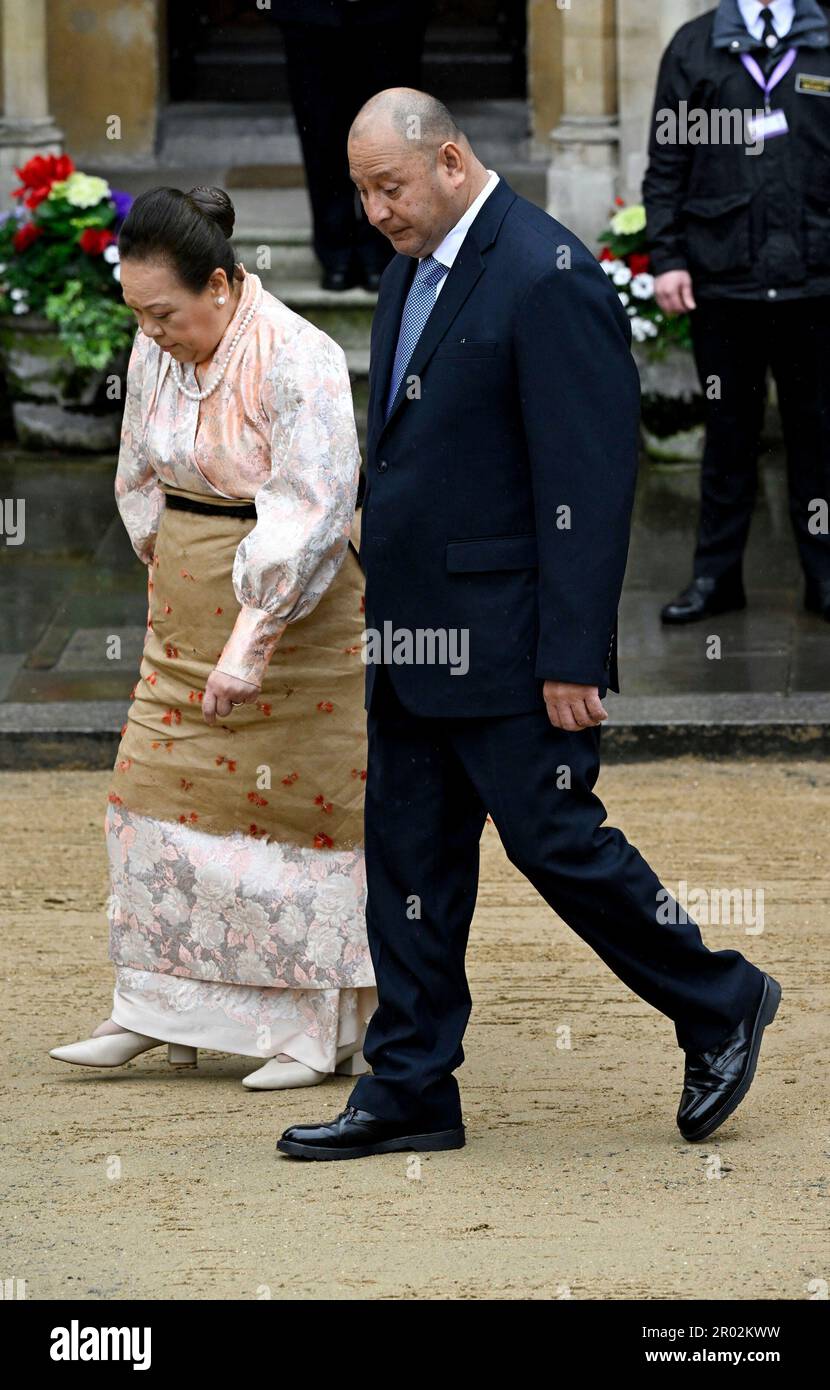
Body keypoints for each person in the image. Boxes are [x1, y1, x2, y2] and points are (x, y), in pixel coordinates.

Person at [276, 89, 781, 1163]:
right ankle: (409, 1083)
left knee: (557, 843)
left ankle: (719, 997)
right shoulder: (414, 260)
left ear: (450, 160)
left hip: (510, 640)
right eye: (361, 190)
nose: (372, 211)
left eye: (388, 187)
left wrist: (571, 655)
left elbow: (590, 482)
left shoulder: (547, 273)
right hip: (412, 637)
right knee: (408, 857)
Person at [49, 185, 378, 1090]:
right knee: (150, 794)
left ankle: (316, 1028)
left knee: (297, 817)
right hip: (183, 600)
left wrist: (248, 643)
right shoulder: (155, 343)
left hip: (294, 615)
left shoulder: (297, 355)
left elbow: (312, 511)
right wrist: (169, 576)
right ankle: (157, 1008)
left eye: (164, 313)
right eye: (138, 315)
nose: (149, 332)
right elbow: (135, 469)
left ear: (224, 286)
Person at [643, 0, 830, 624]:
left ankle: (825, 578)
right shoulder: (695, 47)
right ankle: (716, 579)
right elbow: (667, 161)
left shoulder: (824, 37)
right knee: (728, 441)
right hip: (725, 285)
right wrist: (667, 257)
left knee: (820, 440)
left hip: (815, 281)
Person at [271, 0, 433, 290]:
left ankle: (386, 250)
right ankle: (336, 252)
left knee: (392, 131)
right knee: (320, 132)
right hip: (311, 14)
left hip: (390, 15)